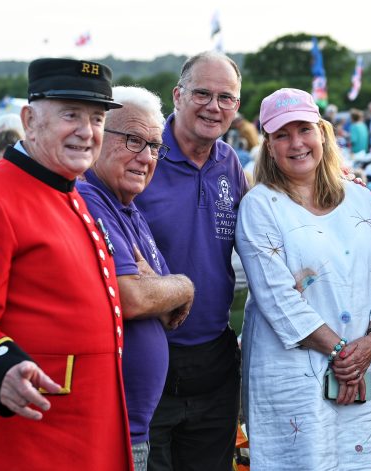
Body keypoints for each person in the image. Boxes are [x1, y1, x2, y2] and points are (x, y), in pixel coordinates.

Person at [0, 58, 132, 469]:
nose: (86, 131)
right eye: (70, 115)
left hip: (83, 435)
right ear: (29, 119)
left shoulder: (70, 192)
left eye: (97, 119)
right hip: (24, 443)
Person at [235, 87, 371, 470]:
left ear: (322, 133)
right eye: (281, 135)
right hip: (295, 372)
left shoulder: (360, 199)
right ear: (269, 145)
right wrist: (343, 354)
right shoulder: (259, 206)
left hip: (363, 365)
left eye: (304, 130)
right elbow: (276, 296)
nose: (296, 143)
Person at [133, 51, 248, 471]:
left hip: (214, 361)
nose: (213, 106)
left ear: (237, 106)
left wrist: (334, 182)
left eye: (226, 97)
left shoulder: (229, 162)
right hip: (149, 358)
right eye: (202, 93)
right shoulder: (141, 157)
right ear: (177, 96)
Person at [76, 86, 196, 471]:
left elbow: (164, 309)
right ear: (98, 137)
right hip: (105, 433)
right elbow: (134, 299)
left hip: (130, 430)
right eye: (132, 140)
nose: (145, 157)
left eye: (154, 146)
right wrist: (184, 286)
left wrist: (161, 290)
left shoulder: (128, 207)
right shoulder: (90, 197)